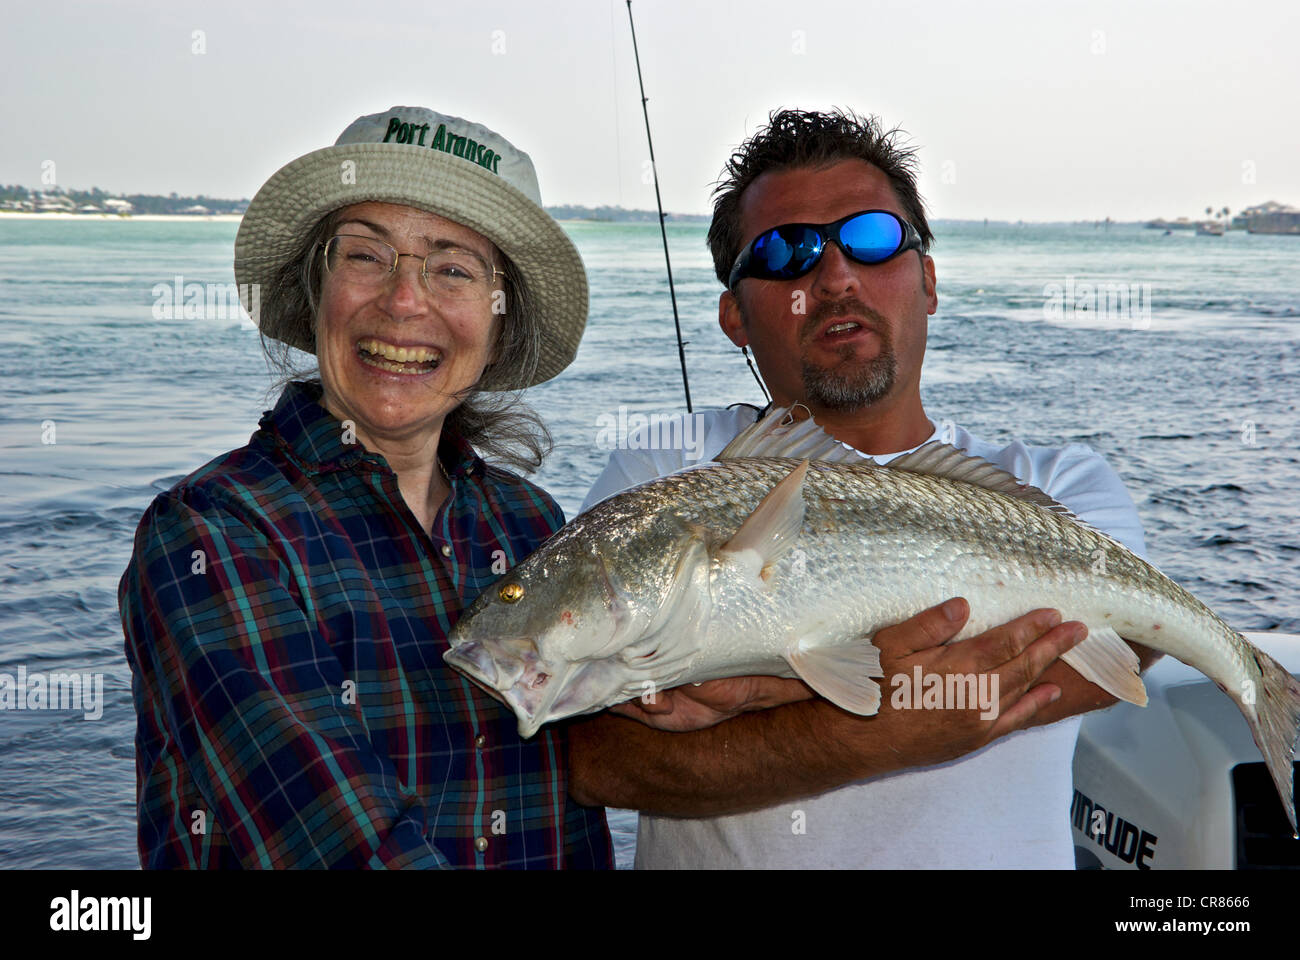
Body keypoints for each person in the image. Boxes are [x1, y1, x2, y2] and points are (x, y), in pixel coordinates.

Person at [568, 108, 1159, 869]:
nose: (835, 277)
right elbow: (595, 759)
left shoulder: (1056, 485)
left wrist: (752, 691)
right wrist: (875, 722)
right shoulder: (666, 475)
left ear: (931, 281)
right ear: (734, 317)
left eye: (873, 238)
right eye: (787, 253)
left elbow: (1125, 642)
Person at [118, 106, 612, 869]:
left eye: (452, 268)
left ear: (498, 321)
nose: (405, 301)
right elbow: (332, 841)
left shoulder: (530, 525)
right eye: (365, 257)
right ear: (316, 289)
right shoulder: (210, 532)